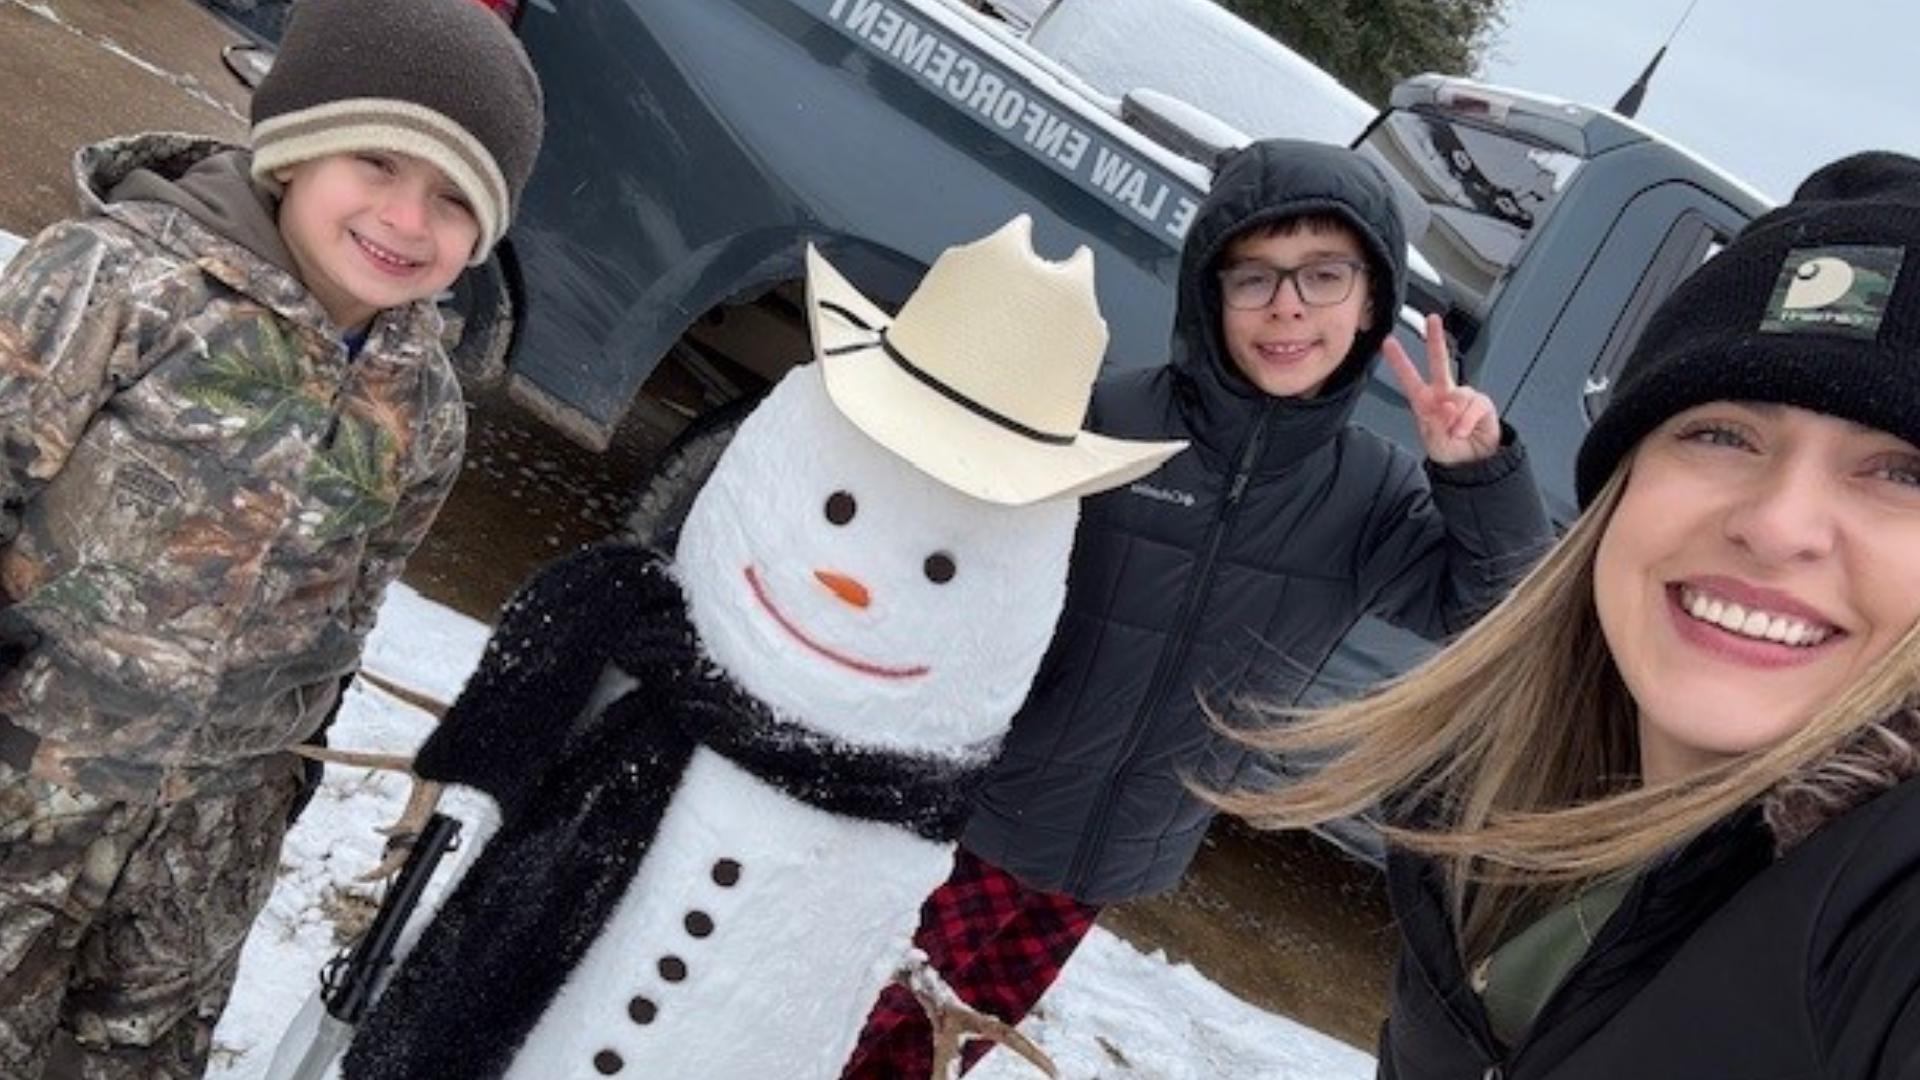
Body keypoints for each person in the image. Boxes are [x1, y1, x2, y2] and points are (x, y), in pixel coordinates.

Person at [842, 138, 1553, 1076]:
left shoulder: (1371, 495)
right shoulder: (1107, 419)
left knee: (938, 1056)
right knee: (840, 1028)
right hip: (974, 824)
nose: (1287, 304)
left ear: (1373, 300)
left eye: (1324, 274)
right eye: (1252, 275)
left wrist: (1481, 477)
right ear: (1206, 295)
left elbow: (1500, 619)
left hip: (1114, 856)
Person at [1222, 151, 1920, 1077]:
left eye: (1904, 472)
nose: (1778, 524)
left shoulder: (1888, 918)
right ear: (1621, 490)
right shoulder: (1480, 810)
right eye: (1721, 433)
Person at [0, 0, 542, 1074]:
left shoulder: (424, 405)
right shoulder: (116, 283)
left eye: (454, 199)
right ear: (295, 145)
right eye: (377, 161)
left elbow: (351, 610)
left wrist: (271, 800)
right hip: (27, 796)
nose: (406, 217)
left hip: (199, 860)